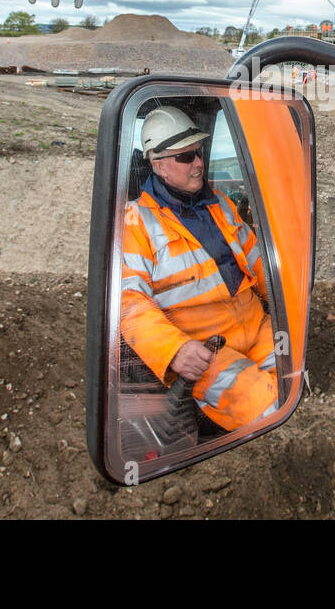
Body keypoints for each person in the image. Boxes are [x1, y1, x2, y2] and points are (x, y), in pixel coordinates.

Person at [120, 105, 278, 432]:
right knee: (272, 410)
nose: (199, 163)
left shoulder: (219, 204)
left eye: (199, 153)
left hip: (257, 327)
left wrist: (293, 300)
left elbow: (258, 263)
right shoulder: (137, 223)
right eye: (186, 157)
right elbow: (128, 304)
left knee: (302, 381)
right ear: (159, 165)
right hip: (208, 352)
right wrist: (174, 350)